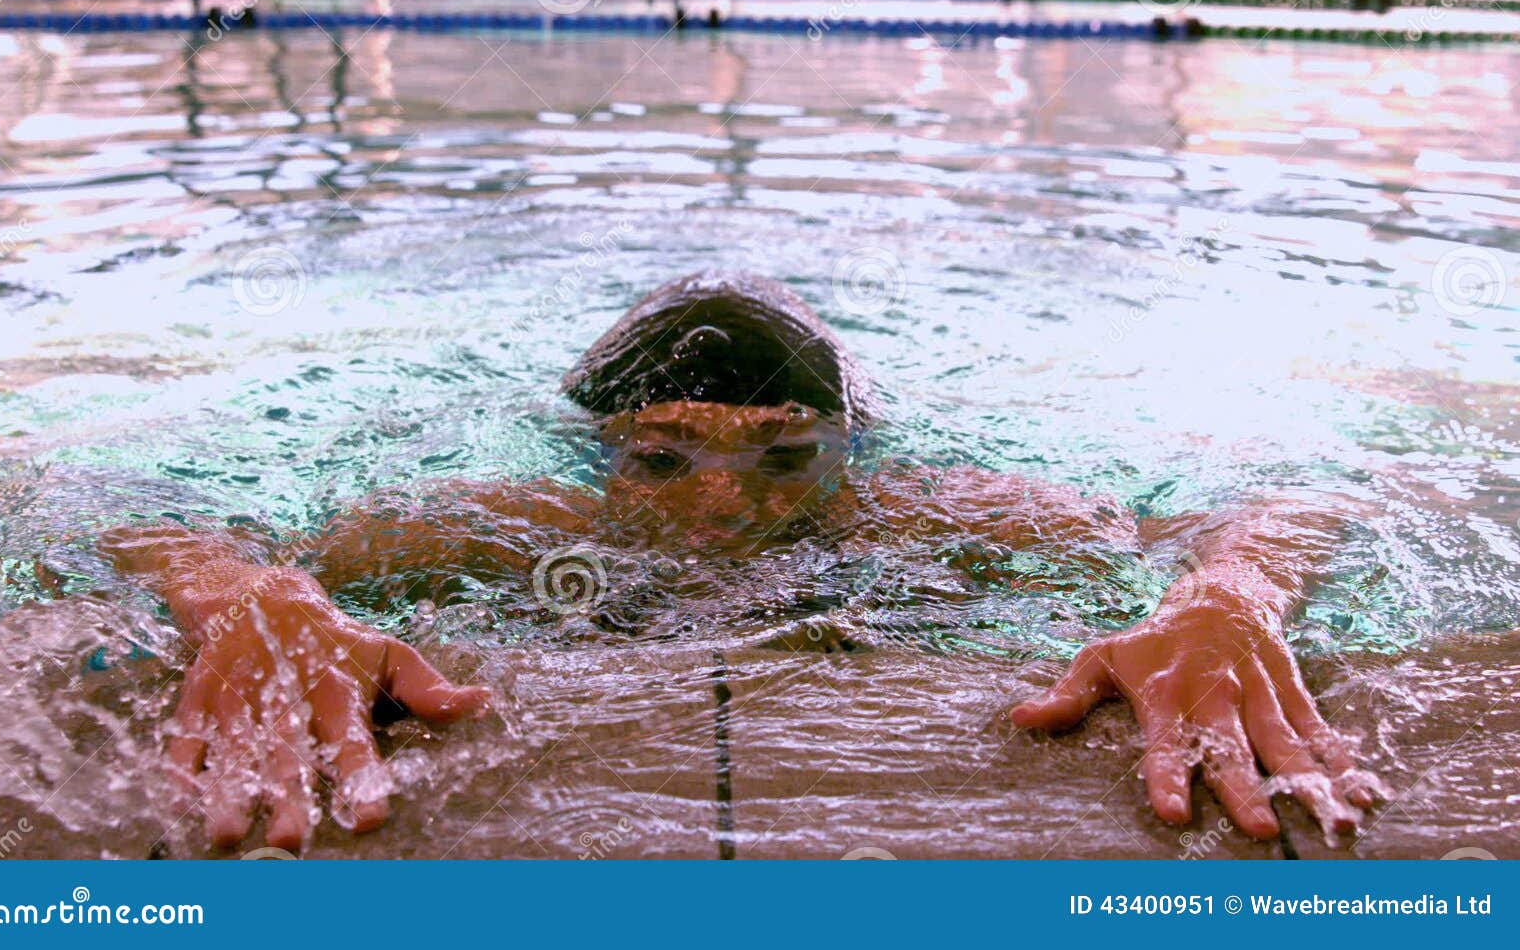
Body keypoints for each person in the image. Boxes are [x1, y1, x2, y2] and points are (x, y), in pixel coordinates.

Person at [98, 271, 1381, 852]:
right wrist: (258, 595)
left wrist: (1225, 600)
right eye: (658, 462)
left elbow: (1286, 500)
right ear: (597, 459)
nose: (722, 508)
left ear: (848, 454)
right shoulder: (511, 520)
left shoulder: (922, 515)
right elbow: (139, 507)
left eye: (785, 463)